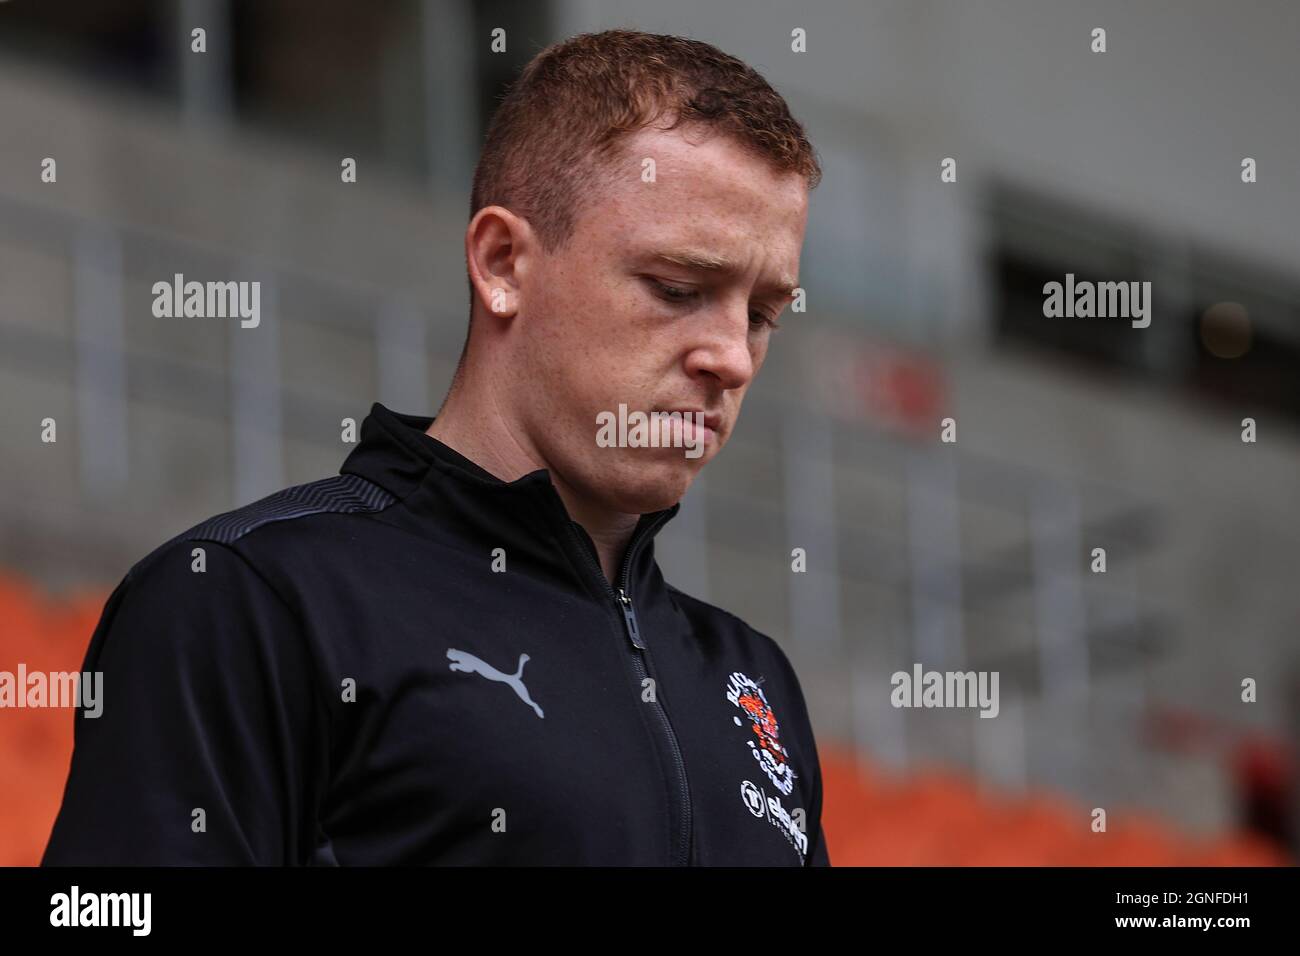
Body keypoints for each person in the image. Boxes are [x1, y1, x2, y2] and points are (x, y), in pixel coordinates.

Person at [43, 28, 829, 866]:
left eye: (760, 314)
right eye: (678, 289)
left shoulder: (756, 680)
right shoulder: (248, 603)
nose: (733, 357)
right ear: (502, 264)